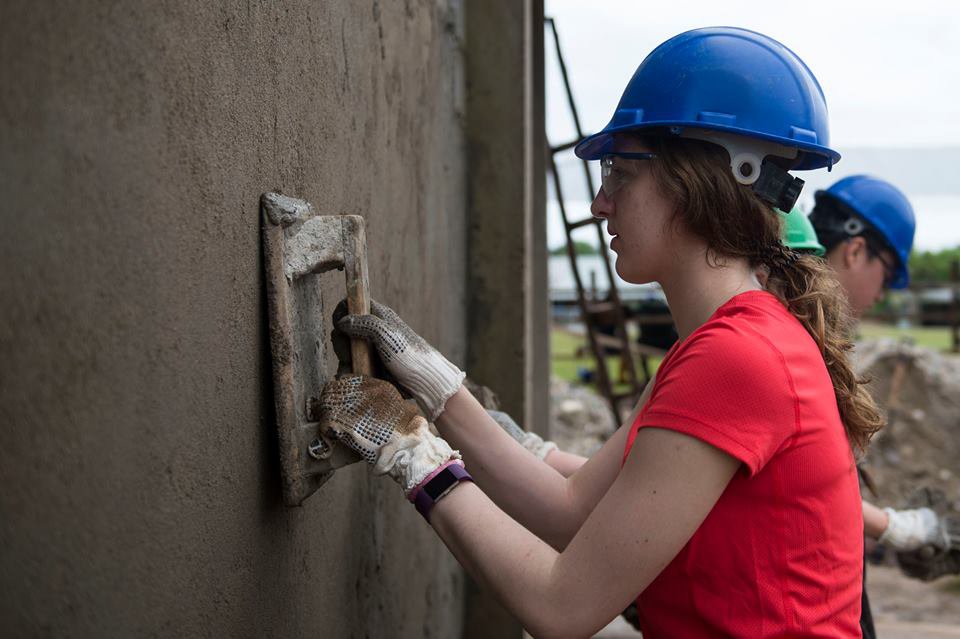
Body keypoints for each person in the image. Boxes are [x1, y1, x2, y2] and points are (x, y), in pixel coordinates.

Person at [321, 27, 882, 637]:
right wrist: (440, 394)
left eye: (620, 171)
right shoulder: (724, 343)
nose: (598, 202)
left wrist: (414, 456)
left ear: (698, 180)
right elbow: (570, 512)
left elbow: (561, 608)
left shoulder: (737, 358)